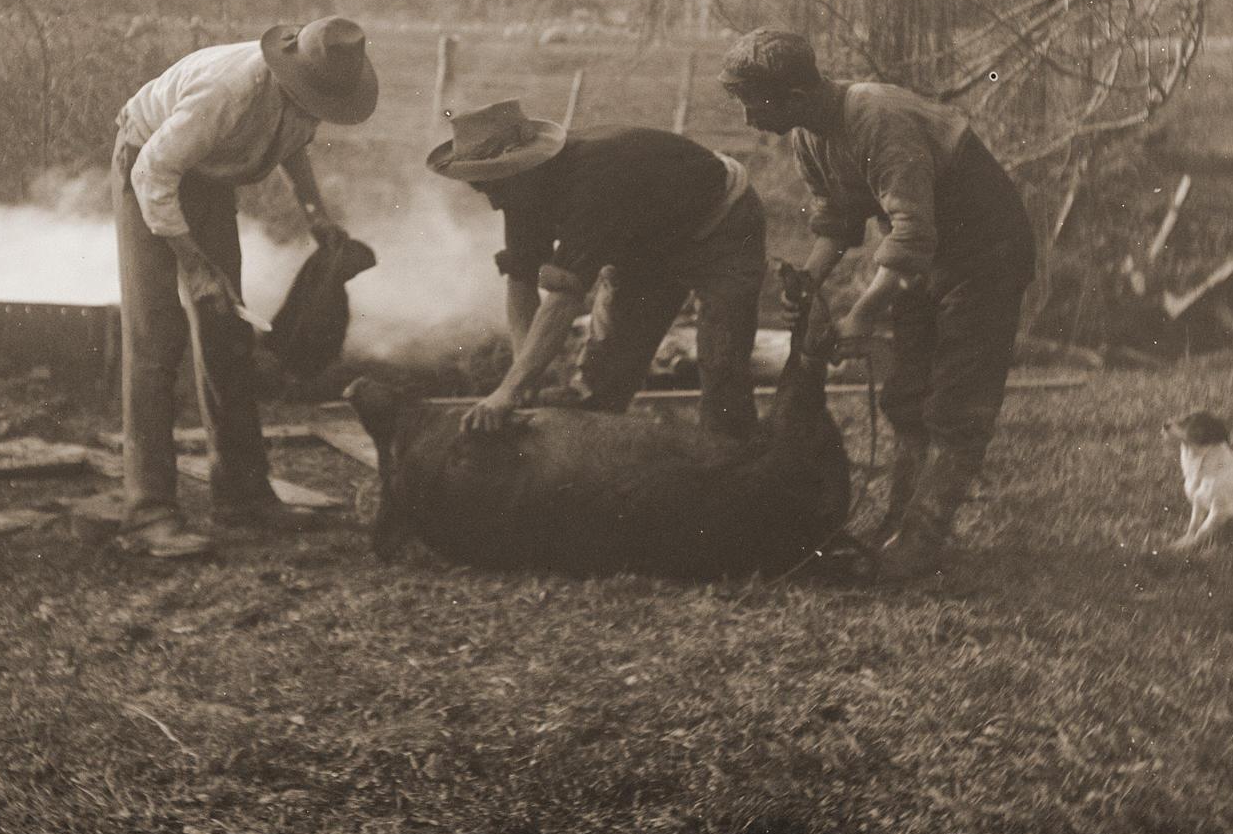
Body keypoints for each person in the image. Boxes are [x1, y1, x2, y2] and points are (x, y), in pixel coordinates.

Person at [718, 29, 1036, 581]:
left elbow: (912, 230)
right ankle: (897, 521)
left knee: (956, 406)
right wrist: (810, 277)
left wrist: (862, 312)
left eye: (754, 103)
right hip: (925, 257)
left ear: (794, 96)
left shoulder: (875, 116)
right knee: (906, 394)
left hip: (986, 253)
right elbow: (837, 221)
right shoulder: (809, 135)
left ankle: (921, 540)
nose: (747, 119)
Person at [112, 17, 377, 557]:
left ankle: (242, 496)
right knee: (156, 340)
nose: (313, 110)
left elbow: (290, 144)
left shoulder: (308, 92)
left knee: (226, 330)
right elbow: (152, 177)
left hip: (207, 180)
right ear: (287, 75)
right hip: (147, 168)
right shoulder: (225, 92)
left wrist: (315, 215)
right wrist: (192, 262)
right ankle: (148, 514)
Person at [426, 98, 765, 440]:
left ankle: (734, 468)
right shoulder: (519, 190)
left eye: (494, 186)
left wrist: (509, 390)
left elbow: (563, 296)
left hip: (722, 224)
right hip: (645, 250)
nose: (494, 202)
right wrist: (521, 377)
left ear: (524, 166)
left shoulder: (592, 178)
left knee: (722, 369)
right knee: (599, 383)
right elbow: (521, 279)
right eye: (481, 188)